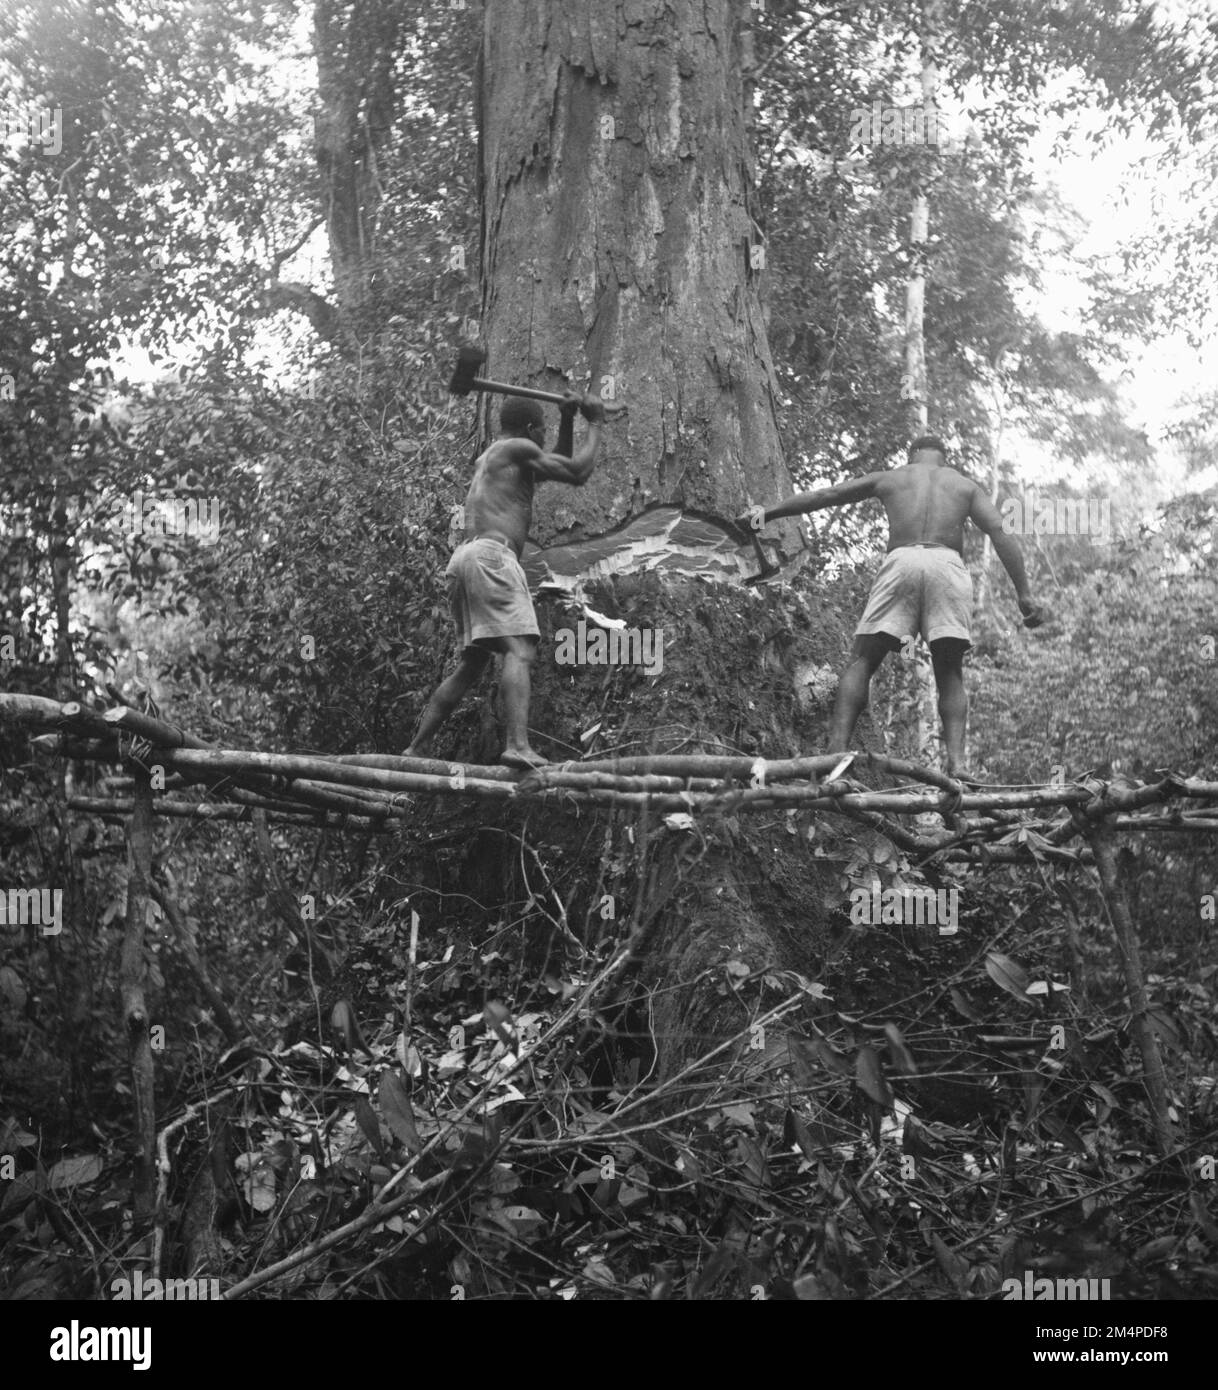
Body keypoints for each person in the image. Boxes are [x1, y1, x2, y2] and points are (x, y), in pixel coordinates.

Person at [738, 435, 1048, 781]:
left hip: (901, 562)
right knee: (949, 672)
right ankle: (958, 766)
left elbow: (826, 495)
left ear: (911, 455)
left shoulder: (892, 477)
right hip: (947, 566)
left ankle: (834, 757)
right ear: (943, 460)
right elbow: (999, 531)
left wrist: (767, 513)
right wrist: (1024, 594)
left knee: (863, 661)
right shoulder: (964, 486)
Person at [405, 390, 604, 769]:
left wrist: (564, 420)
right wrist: (594, 422)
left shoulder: (498, 456)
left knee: (472, 664)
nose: (545, 439)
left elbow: (553, 463)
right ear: (530, 430)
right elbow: (577, 472)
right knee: (519, 649)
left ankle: (418, 747)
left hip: (465, 559)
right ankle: (517, 745)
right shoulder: (516, 448)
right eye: (543, 430)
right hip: (492, 558)